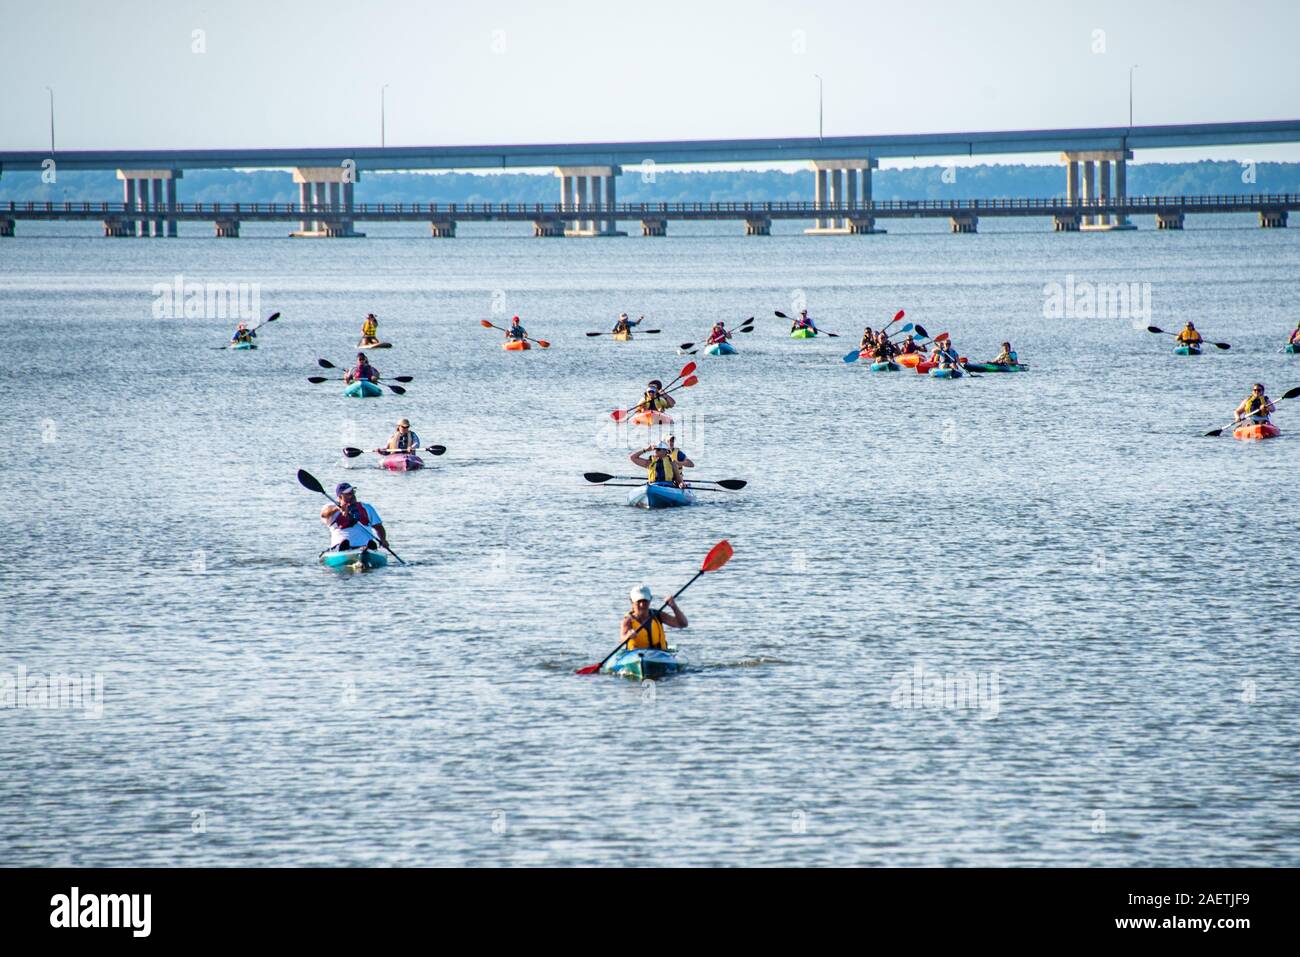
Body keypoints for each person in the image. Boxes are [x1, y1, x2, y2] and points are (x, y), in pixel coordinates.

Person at [320, 482, 388, 553]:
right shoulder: (331, 507)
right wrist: (337, 508)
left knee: (370, 545)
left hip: (365, 546)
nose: (352, 495)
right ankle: (344, 549)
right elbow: (323, 515)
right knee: (343, 545)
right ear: (340, 496)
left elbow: (378, 527)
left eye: (353, 492)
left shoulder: (367, 507)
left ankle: (368, 548)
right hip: (340, 547)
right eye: (349, 494)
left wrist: (383, 539)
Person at [621, 584, 687, 651]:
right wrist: (628, 636)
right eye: (639, 601)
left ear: (650, 600)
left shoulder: (658, 615)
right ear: (632, 601)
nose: (642, 605)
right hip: (636, 654)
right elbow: (622, 639)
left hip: (660, 654)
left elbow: (683, 624)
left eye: (645, 601)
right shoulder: (628, 620)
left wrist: (674, 607)